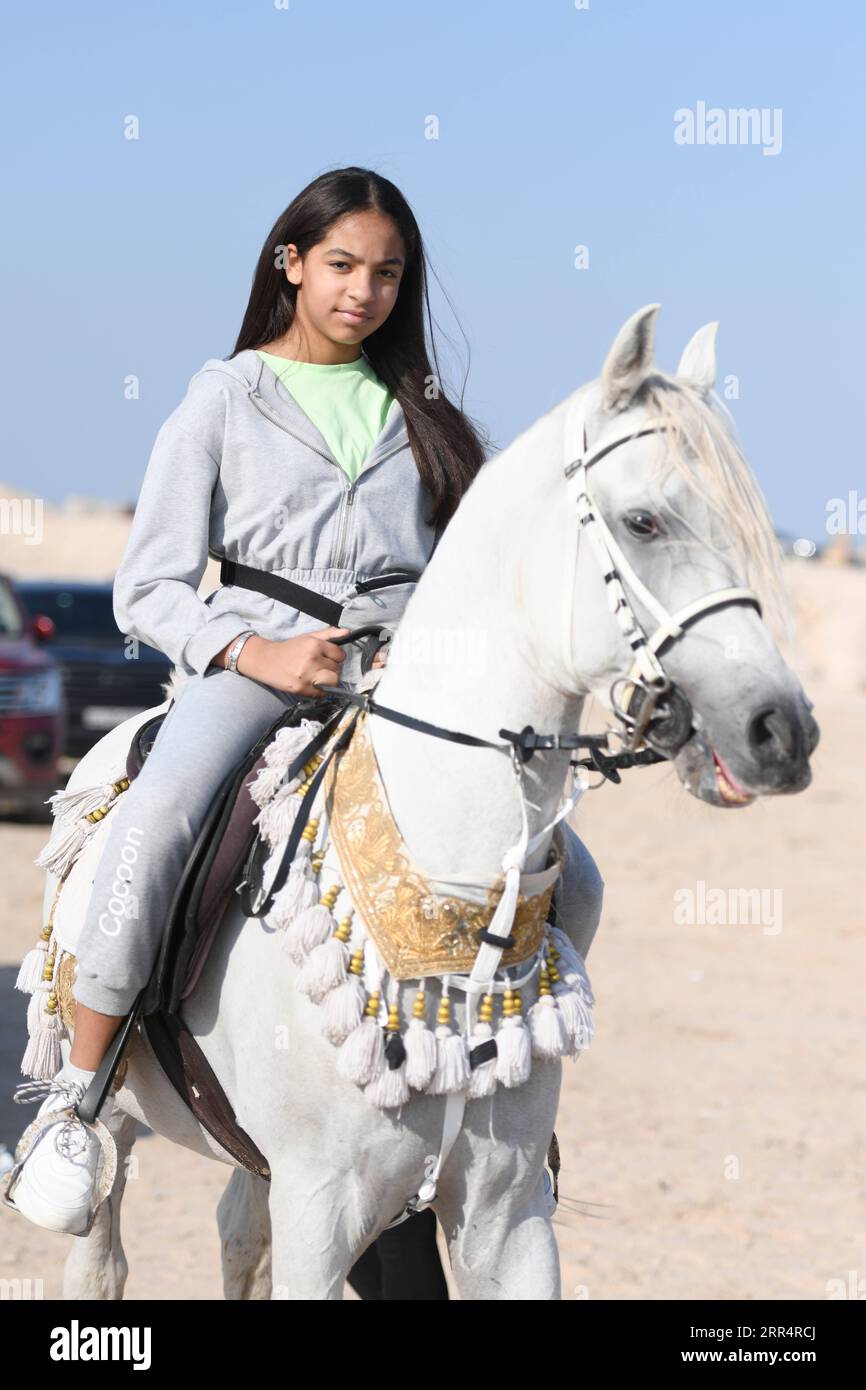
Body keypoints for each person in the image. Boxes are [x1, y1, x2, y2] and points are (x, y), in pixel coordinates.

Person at [8, 166, 490, 1244]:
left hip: (397, 682)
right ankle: (75, 1098)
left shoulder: (425, 413)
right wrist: (255, 652)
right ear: (290, 263)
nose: (361, 291)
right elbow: (148, 585)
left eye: (385, 272)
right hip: (253, 668)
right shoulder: (224, 396)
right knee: (159, 813)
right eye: (339, 266)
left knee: (548, 857)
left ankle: (499, 1103)